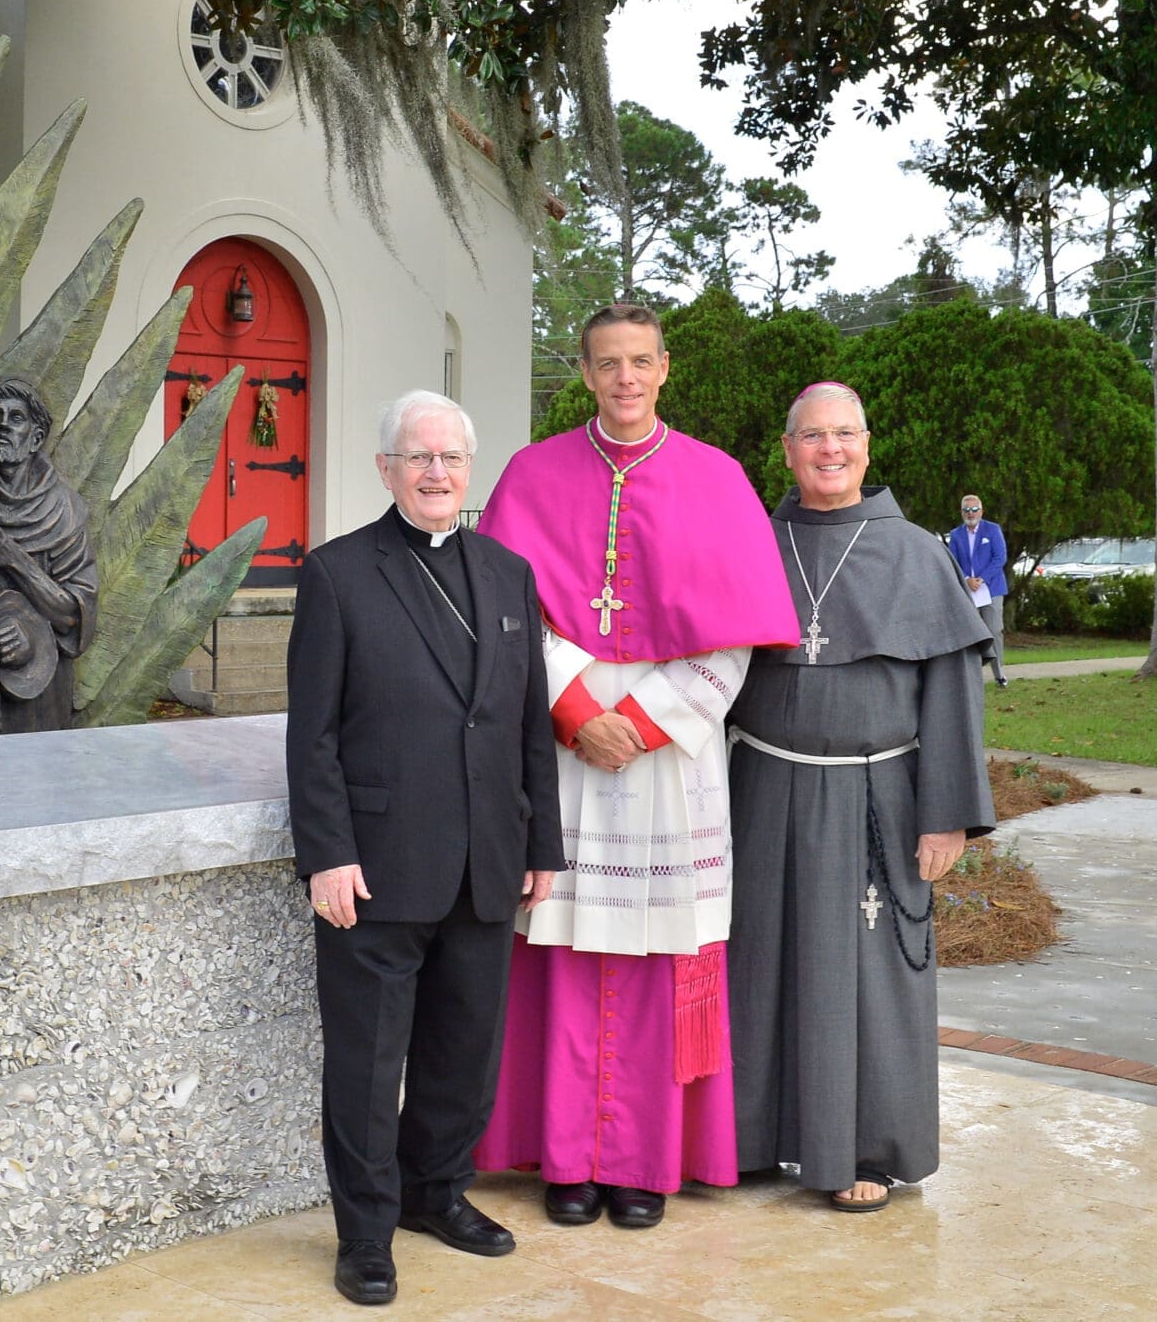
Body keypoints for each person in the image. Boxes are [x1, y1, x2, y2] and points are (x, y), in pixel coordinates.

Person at [473, 303, 800, 1229]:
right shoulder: (532, 476)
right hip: (567, 751)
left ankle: (641, 1166)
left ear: (666, 368)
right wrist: (577, 709)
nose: (625, 378)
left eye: (640, 362)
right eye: (607, 363)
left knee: (658, 960)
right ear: (583, 373)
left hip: (669, 760)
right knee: (562, 951)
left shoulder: (718, 478)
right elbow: (510, 617)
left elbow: (735, 638)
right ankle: (567, 1162)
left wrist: (643, 721)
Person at [286, 390, 563, 1307]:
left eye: (450, 458)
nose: (435, 473)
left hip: (487, 861)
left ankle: (436, 1196)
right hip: (374, 868)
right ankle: (366, 1235)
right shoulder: (336, 574)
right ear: (386, 470)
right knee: (368, 1067)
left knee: (462, 1052)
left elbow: (528, 725)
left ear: (469, 470)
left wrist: (542, 846)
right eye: (417, 458)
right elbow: (312, 734)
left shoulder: (508, 572)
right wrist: (327, 854)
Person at [728, 382, 994, 1212]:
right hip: (760, 787)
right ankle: (744, 1139)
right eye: (813, 436)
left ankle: (869, 1148)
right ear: (787, 450)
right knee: (757, 966)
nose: (830, 450)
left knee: (871, 979)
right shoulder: (750, 543)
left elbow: (951, 689)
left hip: (878, 795)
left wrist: (945, 812)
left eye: (844, 434)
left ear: (868, 446)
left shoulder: (916, 552)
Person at [0, 377, 98, 732]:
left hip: (40, 684)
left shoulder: (65, 510)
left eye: (15, 418)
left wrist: (11, 555)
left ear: (36, 439)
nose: (2, 426)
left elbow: (73, 616)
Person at [947, 494, 1009, 686]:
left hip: (991, 589)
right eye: (967, 510)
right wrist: (966, 580)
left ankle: (1000, 675)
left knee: (994, 630)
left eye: (974, 509)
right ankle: (970, 675)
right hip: (968, 591)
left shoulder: (993, 530)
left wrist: (982, 579)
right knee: (970, 633)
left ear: (981, 511)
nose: (971, 513)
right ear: (961, 512)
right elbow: (952, 560)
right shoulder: (956, 534)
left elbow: (1000, 558)